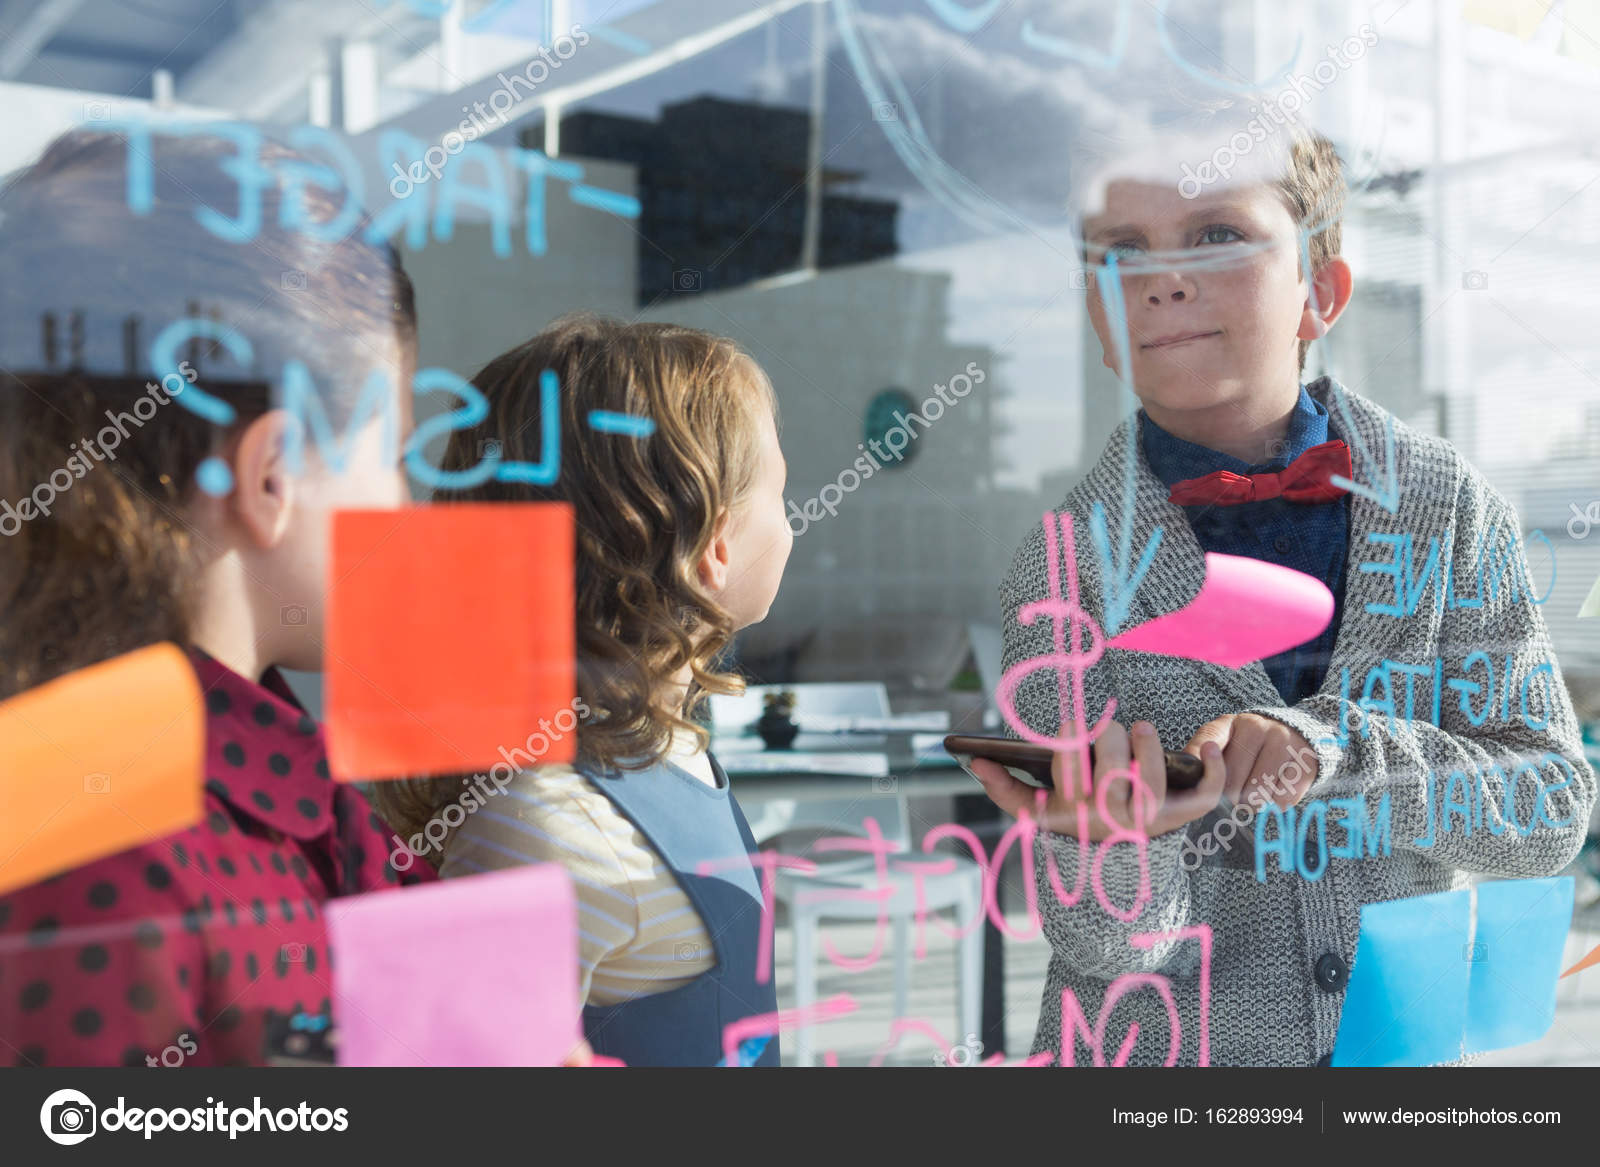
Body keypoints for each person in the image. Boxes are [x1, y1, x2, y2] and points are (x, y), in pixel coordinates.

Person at [971, 116, 1597, 1066]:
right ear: (1099, 322)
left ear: (1321, 290)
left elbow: (1550, 808)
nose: (1162, 278)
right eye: (1122, 251)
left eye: (1219, 233)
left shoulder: (1449, 510)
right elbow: (1105, 946)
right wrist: (1116, 844)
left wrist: (1335, 749)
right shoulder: (1063, 572)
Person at [0, 126, 435, 1067]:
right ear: (272, 475)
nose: (409, 502)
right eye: (393, 455)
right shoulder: (105, 845)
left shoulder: (279, 781)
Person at [370, 314, 793, 1067]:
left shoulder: (674, 754)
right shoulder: (544, 826)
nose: (791, 523)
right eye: (782, 496)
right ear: (716, 548)